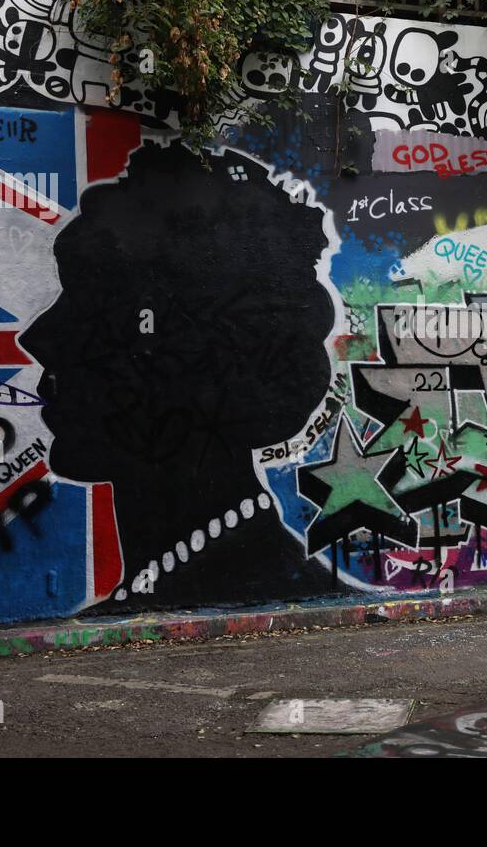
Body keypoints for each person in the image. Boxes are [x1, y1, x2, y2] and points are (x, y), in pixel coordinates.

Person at [19, 142, 339, 607]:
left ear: (210, 361)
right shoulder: (174, 585)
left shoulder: (271, 583)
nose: (38, 337)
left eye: (92, 306)